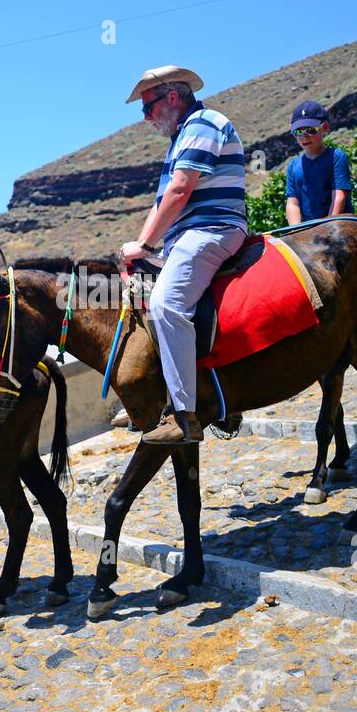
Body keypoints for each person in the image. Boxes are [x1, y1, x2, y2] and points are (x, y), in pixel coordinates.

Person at [121, 65, 247, 445]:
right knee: (133, 298)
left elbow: (179, 192)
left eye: (147, 106)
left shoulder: (203, 124)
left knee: (165, 305)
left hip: (212, 231)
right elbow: (164, 202)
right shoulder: (180, 138)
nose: (145, 116)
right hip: (184, 238)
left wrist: (143, 246)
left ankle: (184, 415)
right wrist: (141, 248)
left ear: (172, 97)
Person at [284, 100, 353, 223]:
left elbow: (339, 197)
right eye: (299, 131)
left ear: (324, 127)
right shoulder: (293, 166)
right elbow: (292, 204)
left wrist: (328, 227)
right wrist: (296, 232)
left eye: (310, 130)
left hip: (338, 226)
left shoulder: (336, 157)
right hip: (308, 232)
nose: (305, 136)